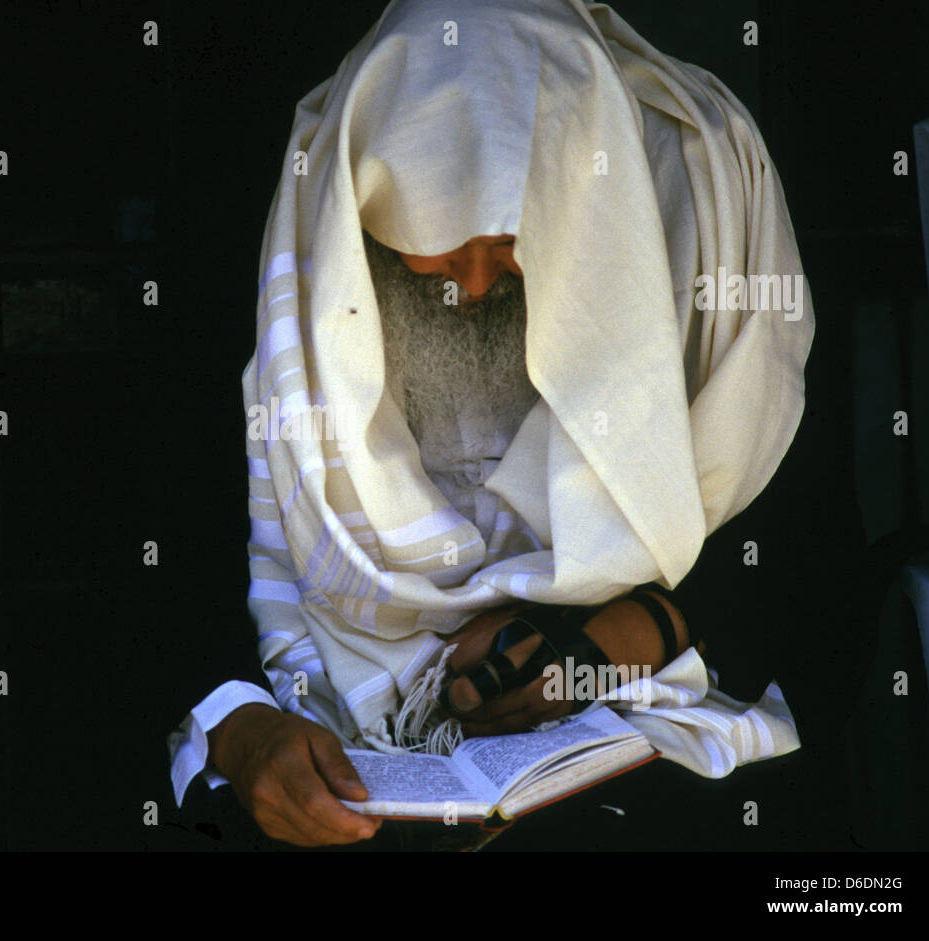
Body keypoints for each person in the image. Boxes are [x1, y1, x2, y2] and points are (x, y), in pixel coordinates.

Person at [165, 0, 872, 849]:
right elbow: (174, 532)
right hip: (358, 763)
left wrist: (615, 641)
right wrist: (242, 730)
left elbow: (820, 567)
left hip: (656, 778)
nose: (469, 282)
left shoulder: (703, 195)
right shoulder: (316, 190)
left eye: (505, 240)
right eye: (424, 248)